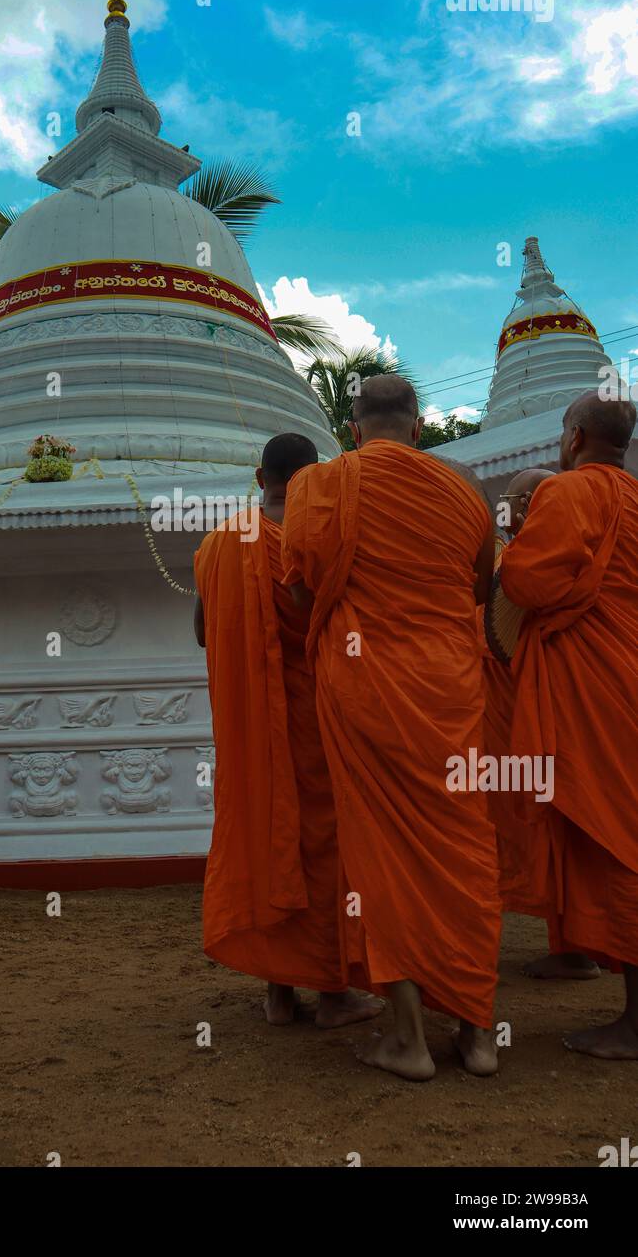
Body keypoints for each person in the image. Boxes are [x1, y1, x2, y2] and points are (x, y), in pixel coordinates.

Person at [282, 375, 502, 1081]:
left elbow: (302, 584)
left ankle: (407, 1040)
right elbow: (481, 585)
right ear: (418, 426)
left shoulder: (323, 483)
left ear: (353, 427)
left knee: (381, 853)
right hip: (450, 687)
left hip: (367, 686)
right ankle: (477, 1034)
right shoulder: (464, 488)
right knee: (465, 845)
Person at [194, 432, 382, 1028]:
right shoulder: (319, 539)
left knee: (265, 842)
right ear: (313, 478)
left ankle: (278, 994)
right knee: (325, 848)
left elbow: (203, 631)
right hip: (319, 725)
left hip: (252, 735)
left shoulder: (219, 544)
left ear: (258, 477)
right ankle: (332, 993)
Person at [499, 390, 638, 1058]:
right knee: (616, 828)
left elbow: (526, 584)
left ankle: (636, 1023)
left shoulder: (567, 494)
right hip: (625, 678)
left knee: (617, 839)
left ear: (575, 436)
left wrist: (511, 548)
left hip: (594, 690)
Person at [482, 469, 599, 981]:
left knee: (549, 822)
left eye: (511, 505)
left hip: (535, 711)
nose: (503, 516)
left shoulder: (530, 565)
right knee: (533, 823)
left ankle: (576, 946)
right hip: (514, 712)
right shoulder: (520, 559)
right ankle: (569, 943)